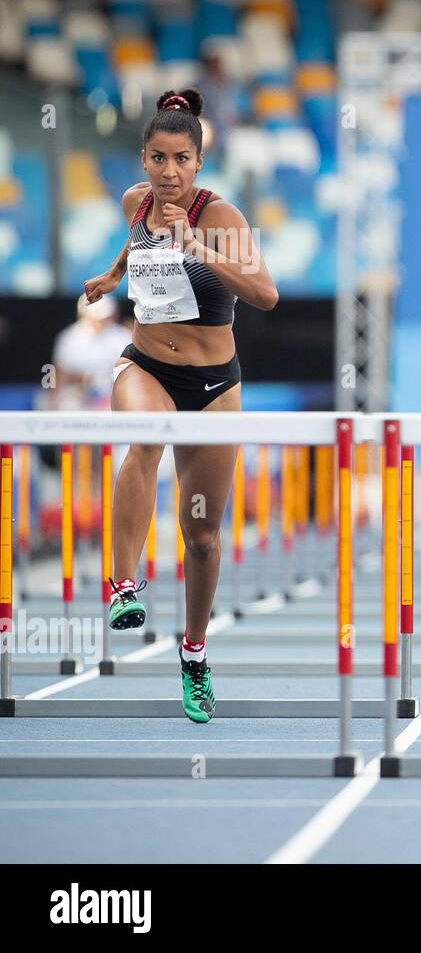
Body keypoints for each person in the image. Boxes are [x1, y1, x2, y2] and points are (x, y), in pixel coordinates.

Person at [82, 88, 279, 723]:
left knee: (202, 534)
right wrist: (114, 275)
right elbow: (138, 246)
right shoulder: (134, 203)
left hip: (215, 381)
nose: (169, 173)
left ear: (198, 163)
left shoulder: (223, 218)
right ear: (144, 159)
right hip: (147, 364)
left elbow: (265, 294)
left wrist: (196, 246)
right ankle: (122, 583)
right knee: (141, 440)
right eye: (158, 159)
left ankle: (194, 655)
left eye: (181, 160)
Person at [48, 295, 132, 410]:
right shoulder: (69, 338)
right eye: (97, 317)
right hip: (76, 398)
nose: (102, 321)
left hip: (111, 398)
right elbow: (59, 374)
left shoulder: (122, 336)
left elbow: (131, 373)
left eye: (106, 316)